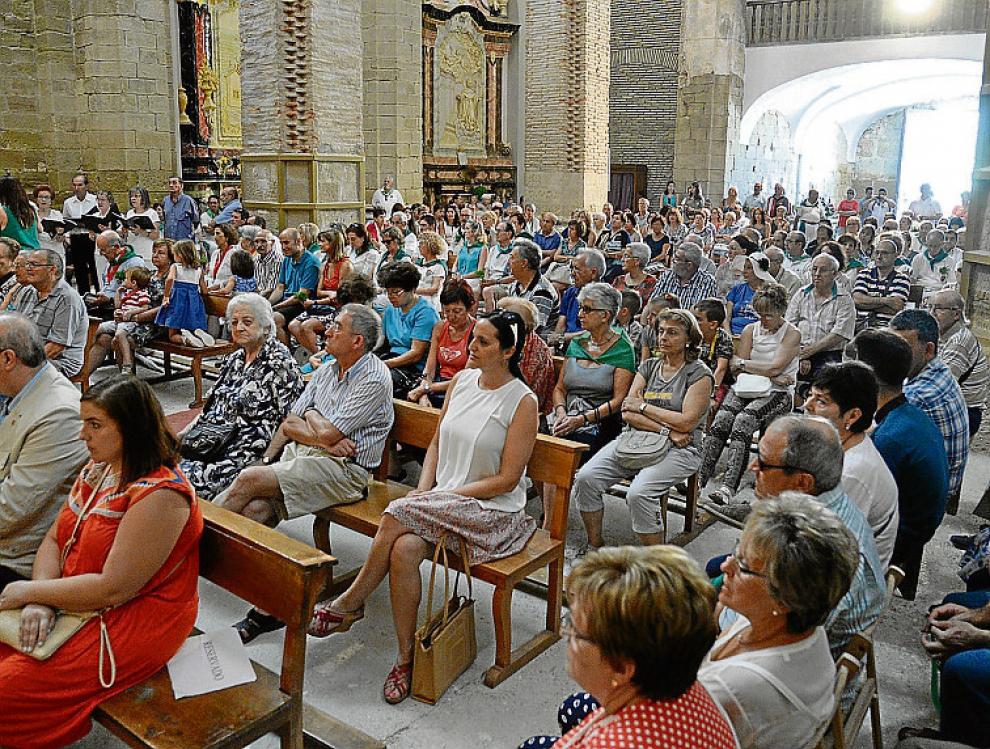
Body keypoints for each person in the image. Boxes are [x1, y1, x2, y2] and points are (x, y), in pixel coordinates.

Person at [308, 310, 538, 705]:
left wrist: (437, 499)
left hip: (493, 513)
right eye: (473, 339)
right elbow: (434, 446)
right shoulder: (462, 382)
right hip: (443, 503)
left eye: (483, 342)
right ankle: (405, 658)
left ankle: (350, 602)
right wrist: (424, 490)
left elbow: (508, 480)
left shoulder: (522, 401)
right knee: (403, 548)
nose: (471, 347)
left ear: (508, 351)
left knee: (398, 512)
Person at [0, 375, 202, 748]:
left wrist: (29, 591)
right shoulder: (102, 467)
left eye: (94, 425)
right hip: (77, 596)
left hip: (136, 616)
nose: (82, 436)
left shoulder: (162, 495)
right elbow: (54, 538)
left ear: (131, 428)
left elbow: (115, 587)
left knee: (7, 689)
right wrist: (39, 599)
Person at [216, 304, 392, 638]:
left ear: (357, 341)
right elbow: (290, 424)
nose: (327, 330)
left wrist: (314, 421)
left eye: (336, 327)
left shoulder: (374, 378)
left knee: (249, 478)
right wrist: (321, 428)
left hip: (346, 472)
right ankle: (271, 605)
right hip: (309, 456)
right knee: (255, 510)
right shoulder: (328, 369)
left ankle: (185, 549)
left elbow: (321, 430)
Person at [518, 547, 737, 749]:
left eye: (574, 628)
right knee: (574, 707)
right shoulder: (677, 676)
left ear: (622, 668)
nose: (564, 633)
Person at [699, 493, 859, 748]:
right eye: (735, 552)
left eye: (743, 565)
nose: (725, 567)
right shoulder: (798, 628)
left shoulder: (735, 686)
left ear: (784, 600)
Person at [572, 308, 711, 547]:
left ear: (689, 340)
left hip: (683, 448)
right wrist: (667, 429)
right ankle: (594, 544)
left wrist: (644, 407)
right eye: (661, 332)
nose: (664, 338)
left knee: (639, 493)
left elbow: (687, 422)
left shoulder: (699, 373)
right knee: (585, 478)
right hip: (637, 438)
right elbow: (627, 411)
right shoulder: (649, 367)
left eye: (673, 333)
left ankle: (655, 562)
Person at [845, 329, 949, 601]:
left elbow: (860, 508)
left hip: (902, 536)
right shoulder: (906, 414)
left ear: (866, 376)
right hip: (918, 521)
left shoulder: (890, 438)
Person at [178, 293, 304, 500]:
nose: (239, 328)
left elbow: (290, 419)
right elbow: (210, 406)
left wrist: (265, 461)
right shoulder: (235, 358)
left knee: (189, 484)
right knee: (163, 470)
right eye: (234, 322)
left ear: (265, 326)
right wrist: (181, 435)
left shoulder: (280, 362)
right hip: (209, 441)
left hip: (244, 447)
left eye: (247, 322)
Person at [0, 314, 90, 591]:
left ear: (7, 359)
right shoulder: (19, 392)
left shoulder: (59, 412)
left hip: (17, 560)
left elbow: (11, 511)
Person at [699, 283, 800, 505]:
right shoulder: (749, 330)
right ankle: (700, 479)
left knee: (744, 420)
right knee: (722, 419)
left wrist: (755, 368)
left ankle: (728, 487)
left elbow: (775, 366)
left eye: (769, 316)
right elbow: (737, 367)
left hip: (777, 392)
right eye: (760, 315)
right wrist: (769, 373)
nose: (763, 320)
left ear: (781, 311)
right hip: (749, 385)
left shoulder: (792, 333)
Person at [803, 362, 899, 568]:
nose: (807, 406)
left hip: (846, 577)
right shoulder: (841, 444)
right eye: (809, 395)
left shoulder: (853, 472)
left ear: (853, 416)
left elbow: (829, 551)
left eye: (821, 401)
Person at [889, 309, 969, 517]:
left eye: (902, 347)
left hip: (922, 501)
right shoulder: (933, 369)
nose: (893, 353)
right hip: (932, 484)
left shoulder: (920, 394)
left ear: (928, 350)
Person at [551, 283, 635, 459]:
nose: (580, 314)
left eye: (587, 309)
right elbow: (560, 389)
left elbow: (618, 401)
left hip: (598, 422)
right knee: (534, 440)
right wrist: (561, 414)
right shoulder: (577, 343)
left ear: (605, 315)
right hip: (565, 415)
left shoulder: (622, 348)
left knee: (564, 452)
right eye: (581, 308)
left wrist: (580, 420)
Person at [785, 253, 856, 394]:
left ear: (835, 273)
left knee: (826, 381)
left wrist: (809, 352)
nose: (817, 274)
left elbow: (838, 334)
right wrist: (801, 353)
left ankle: (807, 396)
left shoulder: (844, 300)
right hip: (799, 349)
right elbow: (789, 325)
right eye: (814, 269)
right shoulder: (801, 294)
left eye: (823, 270)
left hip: (829, 353)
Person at [928, 289, 989, 442]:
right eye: (930, 307)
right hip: (952, 406)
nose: (932, 313)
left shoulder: (959, 342)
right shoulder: (943, 335)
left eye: (939, 308)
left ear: (956, 314)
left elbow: (940, 386)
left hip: (964, 412)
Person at [408, 279, 477, 408]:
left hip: (462, 389)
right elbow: (430, 367)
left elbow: (467, 378)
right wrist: (423, 394)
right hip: (437, 384)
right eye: (447, 311)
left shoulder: (477, 332)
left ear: (470, 308)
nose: (451, 317)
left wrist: (425, 389)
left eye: (457, 311)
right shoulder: (440, 328)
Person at [378, 261, 441, 399]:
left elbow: (416, 353)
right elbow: (382, 341)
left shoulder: (425, 312)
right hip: (392, 358)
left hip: (413, 368)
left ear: (412, 289)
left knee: (378, 381)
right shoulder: (391, 309)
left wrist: (382, 365)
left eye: (395, 292)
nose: (390, 297)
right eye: (387, 292)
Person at [24, 249, 89, 378]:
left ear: (52, 270)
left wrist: (23, 363)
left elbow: (55, 347)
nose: (28, 268)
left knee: (7, 371)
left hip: (59, 360)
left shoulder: (67, 298)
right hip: (28, 353)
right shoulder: (29, 291)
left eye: (34, 265)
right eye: (27, 264)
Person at [498, 296, 556, 417]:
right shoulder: (502, 341)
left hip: (520, 412)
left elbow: (531, 394)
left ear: (525, 326)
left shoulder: (538, 352)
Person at [92, 266, 152, 374]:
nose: (124, 282)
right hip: (119, 320)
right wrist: (118, 293)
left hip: (128, 322)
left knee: (120, 334)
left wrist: (131, 312)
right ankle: (86, 351)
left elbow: (145, 308)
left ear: (133, 282)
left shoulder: (142, 294)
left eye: (126, 279)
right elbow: (118, 305)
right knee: (96, 328)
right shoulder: (127, 294)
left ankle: (127, 362)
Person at [155, 238, 212, 347]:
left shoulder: (175, 267)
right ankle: (198, 334)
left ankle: (187, 339)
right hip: (193, 301)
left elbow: (170, 279)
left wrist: (166, 296)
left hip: (178, 301)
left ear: (180, 255)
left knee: (172, 335)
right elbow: (204, 289)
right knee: (192, 325)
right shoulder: (198, 270)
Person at [269, 227, 321, 345]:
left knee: (275, 318)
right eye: (281, 243)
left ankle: (285, 355)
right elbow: (280, 287)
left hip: (302, 304)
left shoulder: (311, 263)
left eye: (286, 243)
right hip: (287, 302)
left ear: (298, 241)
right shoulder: (287, 260)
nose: (283, 247)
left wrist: (276, 307)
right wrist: (268, 303)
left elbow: (302, 295)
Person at [853, 237, 911, 330]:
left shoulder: (902, 278)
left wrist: (865, 304)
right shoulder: (864, 274)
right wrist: (885, 301)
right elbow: (856, 300)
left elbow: (895, 307)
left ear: (895, 256)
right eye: (877, 252)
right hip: (862, 326)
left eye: (885, 253)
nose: (879, 257)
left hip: (887, 329)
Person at [505, 239, 559, 338]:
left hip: (535, 342)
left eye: (512, 258)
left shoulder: (542, 291)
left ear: (524, 263)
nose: (508, 262)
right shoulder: (515, 285)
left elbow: (534, 329)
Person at [648, 242, 717, 311]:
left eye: (677, 259)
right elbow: (652, 303)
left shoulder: (706, 282)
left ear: (689, 265)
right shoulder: (668, 275)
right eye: (674, 257)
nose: (672, 261)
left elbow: (699, 313)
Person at [693, 298, 734, 410]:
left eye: (698, 319)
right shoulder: (693, 335)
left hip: (718, 383)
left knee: (710, 406)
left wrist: (710, 395)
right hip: (695, 379)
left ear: (713, 324)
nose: (694, 322)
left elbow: (721, 369)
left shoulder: (723, 338)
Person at [61, 174, 99, 294]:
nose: (77, 188)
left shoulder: (95, 200)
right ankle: (83, 295)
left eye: (80, 185)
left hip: (91, 236)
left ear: (86, 186)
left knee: (94, 266)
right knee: (79, 268)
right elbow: (65, 221)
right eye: (74, 185)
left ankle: (99, 293)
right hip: (76, 237)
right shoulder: (68, 202)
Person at [89, 229, 147, 308]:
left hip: (123, 308)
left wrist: (111, 300)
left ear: (116, 247)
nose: (101, 254)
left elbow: (137, 293)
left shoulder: (134, 263)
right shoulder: (110, 262)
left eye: (104, 250)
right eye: (100, 250)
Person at [122, 186, 160, 262]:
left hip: (146, 252)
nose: (133, 198)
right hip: (132, 251)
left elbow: (156, 236)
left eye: (136, 196)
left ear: (144, 198)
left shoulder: (152, 213)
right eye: (131, 196)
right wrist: (125, 232)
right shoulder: (130, 213)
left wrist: (141, 231)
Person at [0, 176, 39, 252]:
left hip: (15, 255)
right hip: (34, 252)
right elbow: (40, 229)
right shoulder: (31, 209)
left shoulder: (3, 211)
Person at [611, 242, 656, 306]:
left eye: (626, 256)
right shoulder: (619, 279)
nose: (622, 259)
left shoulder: (651, 282)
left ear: (637, 261)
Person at [415, 230, 448, 312]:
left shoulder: (438, 266)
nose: (419, 247)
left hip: (429, 301)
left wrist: (414, 290)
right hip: (415, 298)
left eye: (421, 244)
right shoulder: (418, 264)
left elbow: (434, 289)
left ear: (430, 246)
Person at [160, 175, 199, 241]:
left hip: (184, 240)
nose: (171, 185)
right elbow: (163, 219)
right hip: (169, 239)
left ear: (181, 185)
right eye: (170, 183)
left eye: (174, 183)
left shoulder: (188, 200)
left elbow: (196, 220)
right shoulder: (165, 201)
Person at [205, 222, 238, 288]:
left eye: (218, 233)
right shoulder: (215, 253)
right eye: (214, 234)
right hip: (212, 289)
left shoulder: (234, 253)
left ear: (227, 237)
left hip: (227, 291)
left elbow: (236, 278)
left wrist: (219, 286)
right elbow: (210, 275)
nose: (215, 237)